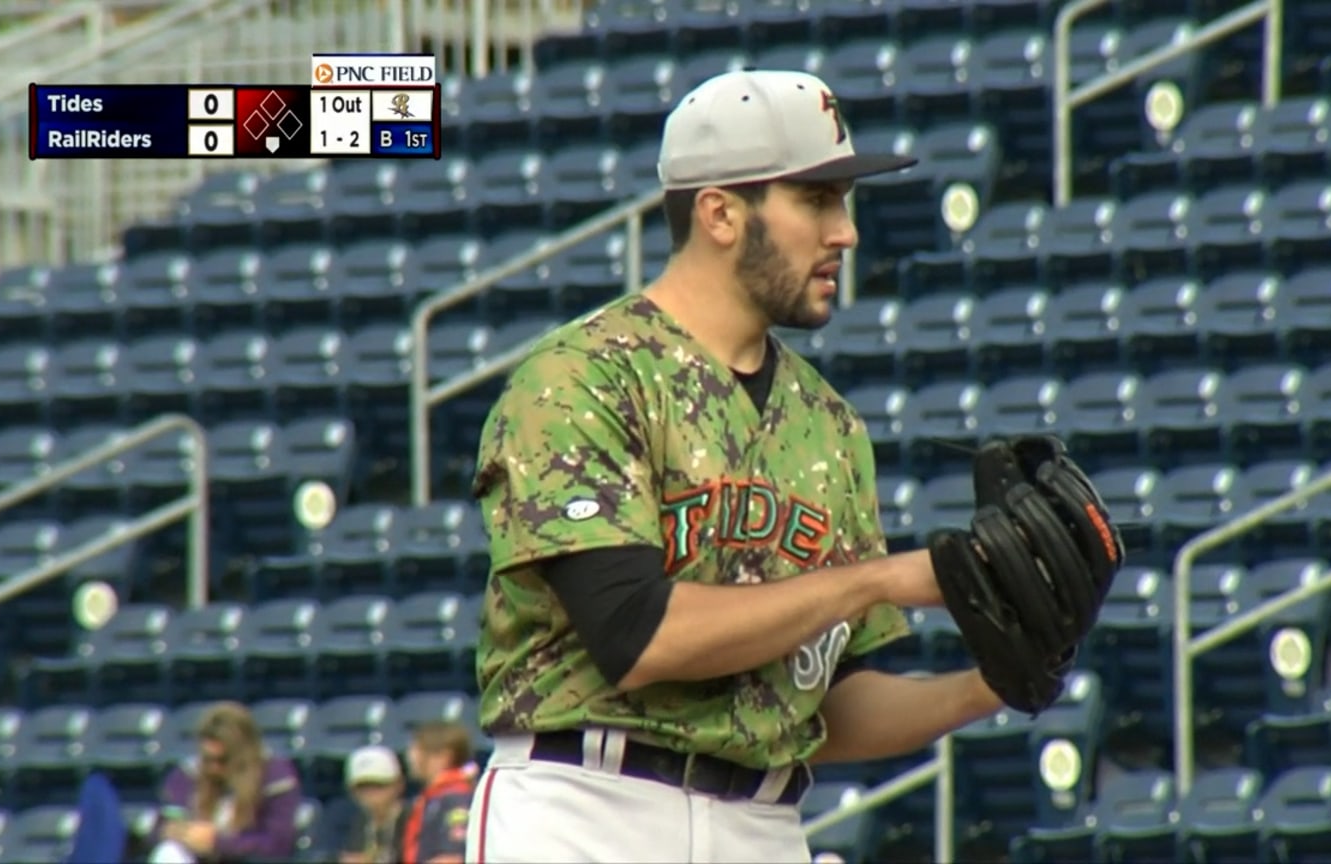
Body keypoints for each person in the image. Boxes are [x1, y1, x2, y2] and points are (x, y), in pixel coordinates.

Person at [464, 68, 1008, 864]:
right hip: (584, 808)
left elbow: (823, 705)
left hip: (763, 823)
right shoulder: (581, 379)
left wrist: (992, 686)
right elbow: (634, 634)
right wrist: (881, 580)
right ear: (720, 212)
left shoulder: (829, 425)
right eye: (816, 199)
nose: (845, 232)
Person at [155, 701, 302, 862]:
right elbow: (157, 829)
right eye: (208, 759)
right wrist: (175, 831)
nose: (213, 768)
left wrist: (217, 842)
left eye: (222, 760)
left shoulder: (275, 775)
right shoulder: (188, 775)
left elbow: (278, 844)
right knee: (169, 851)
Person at [399, 721, 478, 864]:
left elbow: (453, 859)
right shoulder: (432, 798)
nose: (410, 757)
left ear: (443, 756)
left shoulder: (456, 797)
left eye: (417, 749)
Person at [339, 744, 408, 864]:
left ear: (399, 785)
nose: (371, 794)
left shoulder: (414, 819)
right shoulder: (357, 822)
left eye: (379, 785)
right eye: (362, 787)